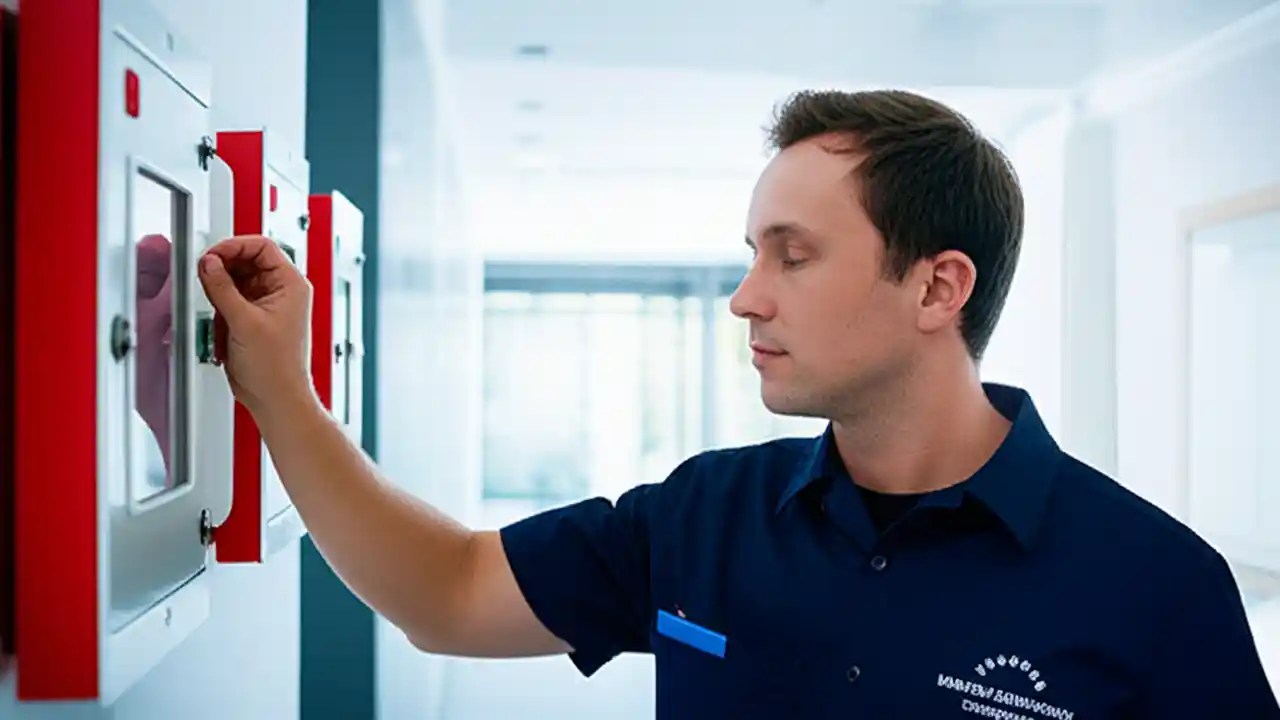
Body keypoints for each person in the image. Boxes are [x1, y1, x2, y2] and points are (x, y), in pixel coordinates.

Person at [196, 89, 1280, 719]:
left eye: (792, 257)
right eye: (751, 252)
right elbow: (444, 593)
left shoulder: (1155, 588)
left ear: (936, 287)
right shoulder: (701, 517)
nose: (744, 296)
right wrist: (278, 391)